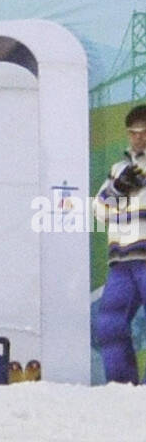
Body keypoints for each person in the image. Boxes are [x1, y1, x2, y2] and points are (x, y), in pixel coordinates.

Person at [92, 105, 146, 384]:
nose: (138, 138)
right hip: (122, 260)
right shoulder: (119, 169)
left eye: (144, 132)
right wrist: (118, 188)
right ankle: (121, 387)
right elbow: (100, 211)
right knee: (110, 324)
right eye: (133, 133)